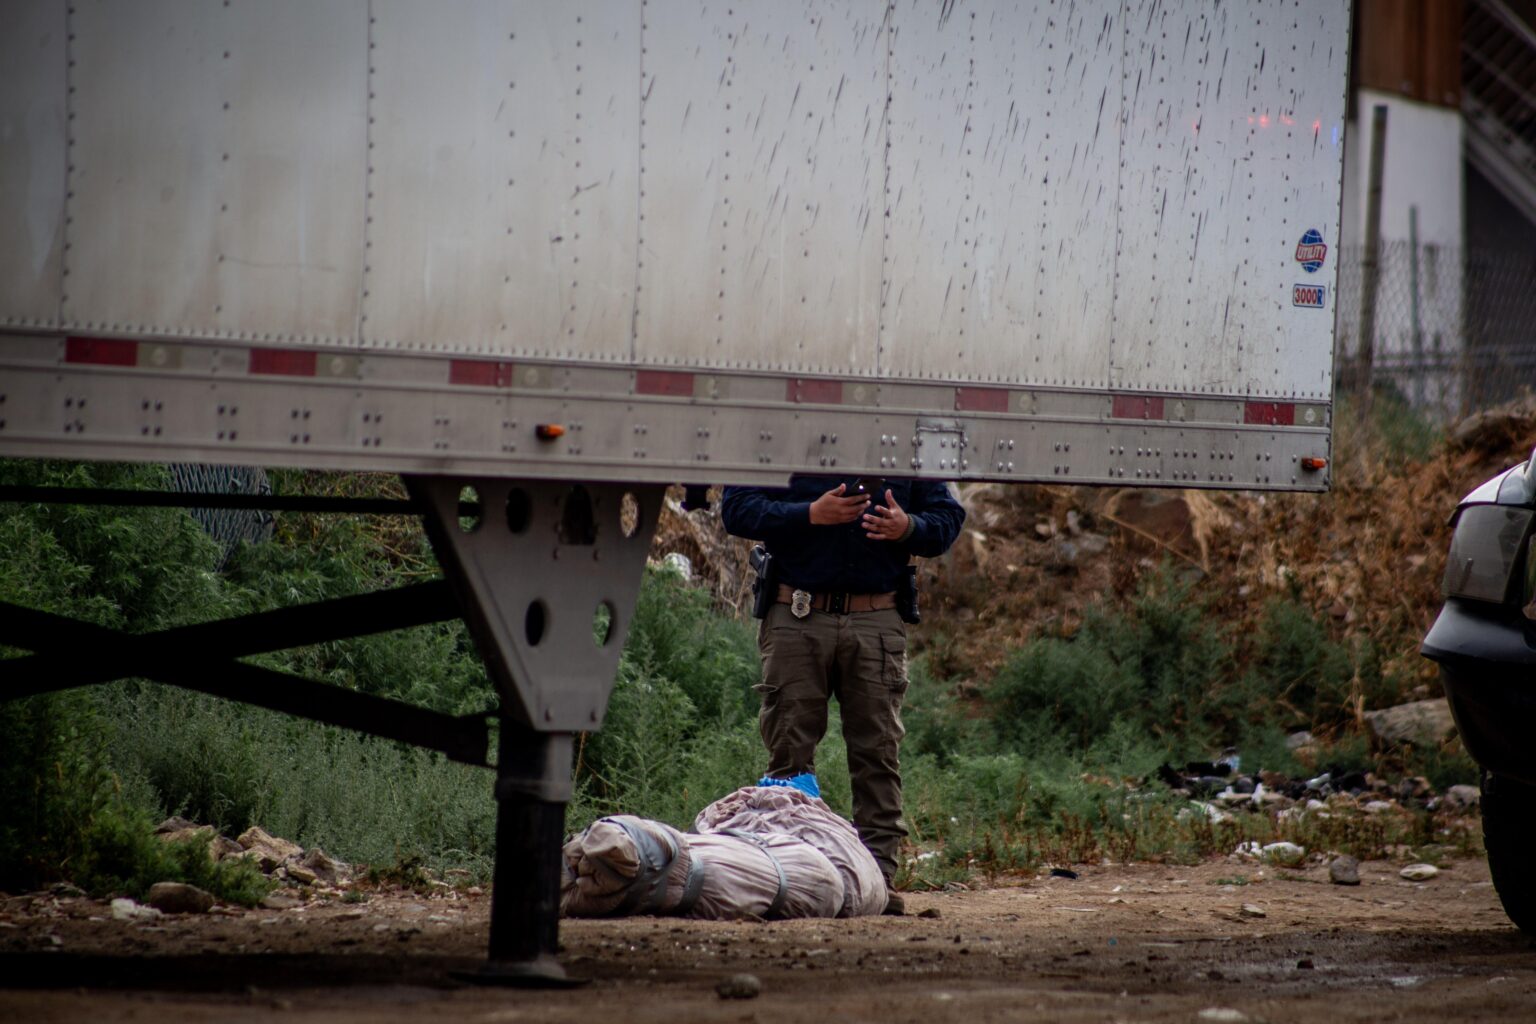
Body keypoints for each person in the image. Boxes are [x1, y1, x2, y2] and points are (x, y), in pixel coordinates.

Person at [720, 476, 965, 914]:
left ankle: (877, 882)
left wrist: (908, 527)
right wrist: (810, 514)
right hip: (796, 612)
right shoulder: (785, 440)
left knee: (877, 754)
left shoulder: (901, 447)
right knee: (789, 756)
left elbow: (947, 518)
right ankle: (796, 880)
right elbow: (737, 509)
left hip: (877, 616)